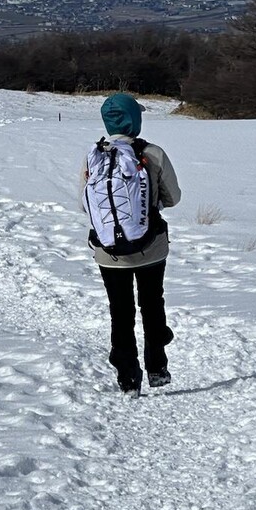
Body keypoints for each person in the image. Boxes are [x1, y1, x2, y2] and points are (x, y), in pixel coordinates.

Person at [82, 93, 181, 396]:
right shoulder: (153, 153)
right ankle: (157, 367)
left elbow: (86, 205)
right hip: (150, 248)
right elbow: (173, 198)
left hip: (108, 253)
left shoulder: (94, 157)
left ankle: (128, 378)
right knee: (152, 303)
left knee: (120, 311)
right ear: (134, 120)